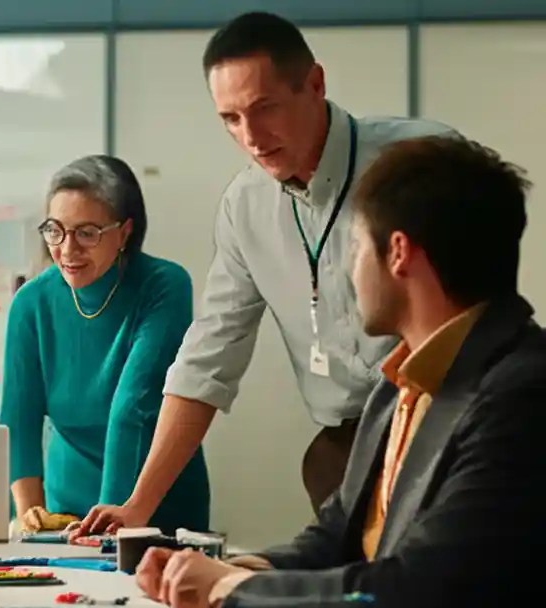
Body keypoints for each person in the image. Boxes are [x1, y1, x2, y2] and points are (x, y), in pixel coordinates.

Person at [137, 135, 546, 608]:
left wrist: (231, 594)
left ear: (398, 253)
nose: (350, 272)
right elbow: (336, 536)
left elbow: (428, 589)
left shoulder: (521, 391)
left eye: (355, 248)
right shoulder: (396, 383)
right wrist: (232, 570)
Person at [74, 12, 455, 538]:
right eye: (230, 119)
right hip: (345, 450)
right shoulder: (246, 206)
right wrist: (137, 507)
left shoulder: (422, 159)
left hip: (443, 427)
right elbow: (210, 355)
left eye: (264, 108)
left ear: (315, 84)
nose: (251, 137)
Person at [2, 155, 209, 534]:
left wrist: (111, 523)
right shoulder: (31, 302)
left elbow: (133, 407)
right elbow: (19, 420)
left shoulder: (164, 285)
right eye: (55, 231)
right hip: (65, 511)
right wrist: (31, 517)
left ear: (124, 232)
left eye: (87, 233)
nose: (67, 250)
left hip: (153, 509)